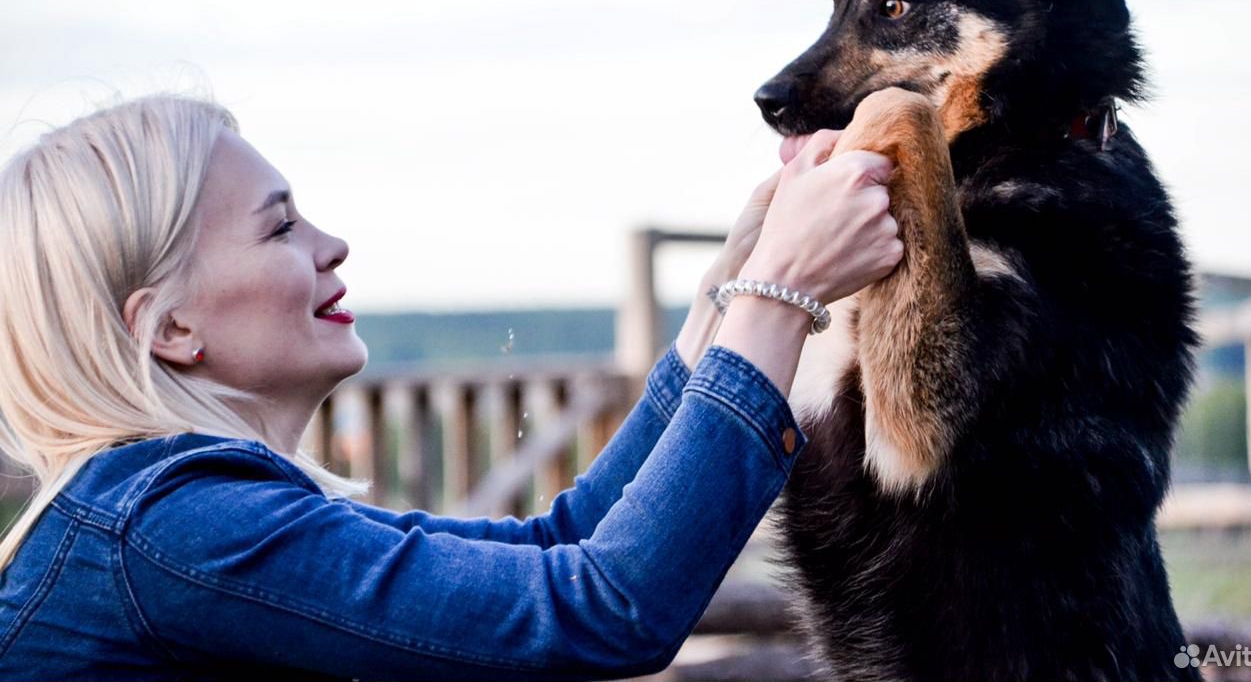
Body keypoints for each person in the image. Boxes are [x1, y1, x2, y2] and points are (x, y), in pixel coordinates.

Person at [0, 95, 901, 679]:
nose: (330, 244)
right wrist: (780, 298)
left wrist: (723, 300)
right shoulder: (177, 531)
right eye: (279, 230)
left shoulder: (158, 515)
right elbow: (604, 609)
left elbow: (557, 547)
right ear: (171, 330)